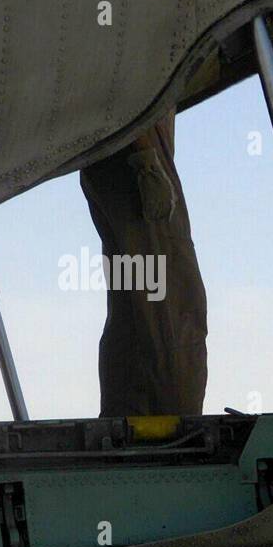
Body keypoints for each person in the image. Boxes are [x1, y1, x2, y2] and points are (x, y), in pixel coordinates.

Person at [80, 111, 208, 417]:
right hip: (133, 157)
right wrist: (147, 160)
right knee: (173, 303)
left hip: (118, 153)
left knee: (133, 309)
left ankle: (127, 419)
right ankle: (175, 430)